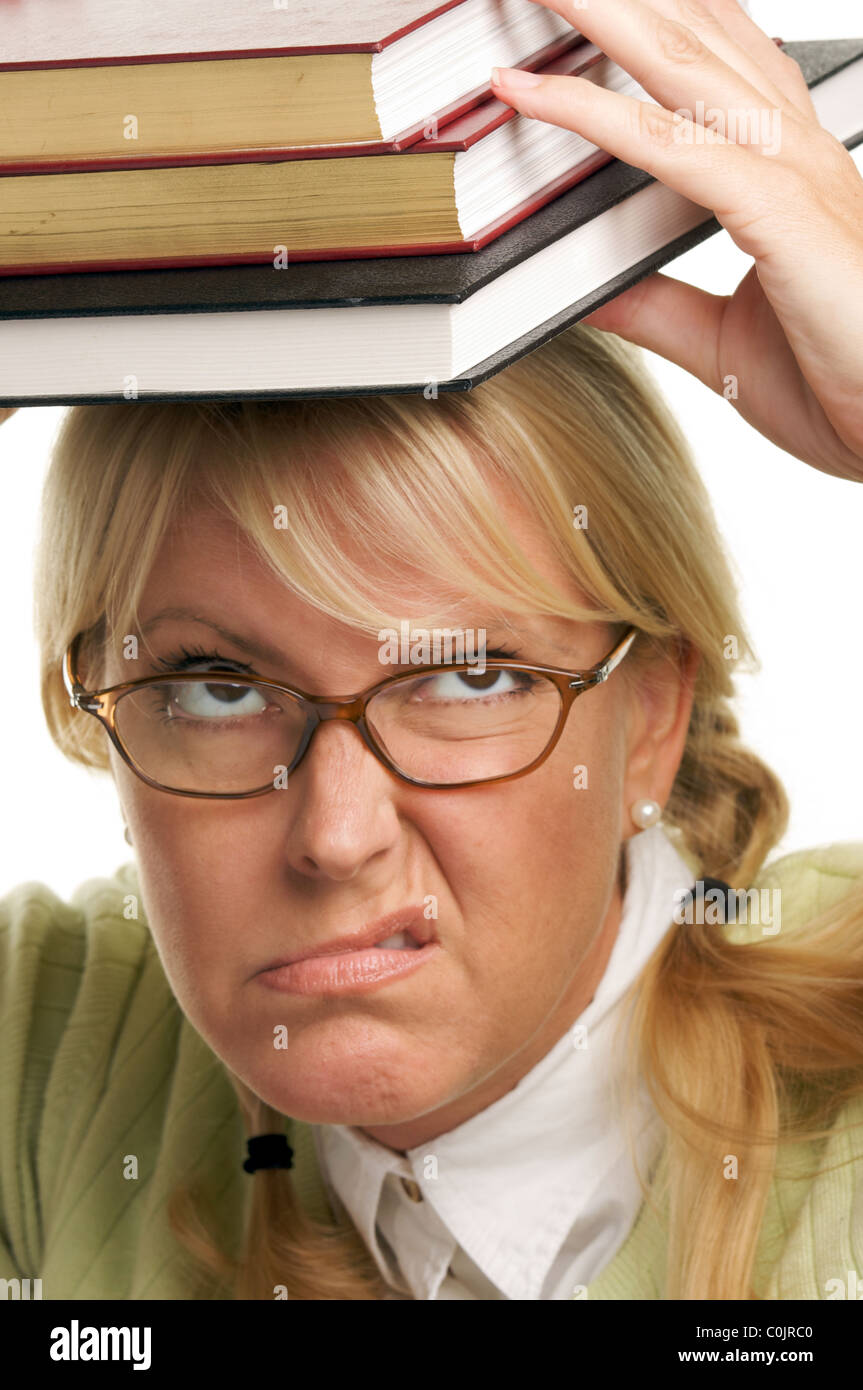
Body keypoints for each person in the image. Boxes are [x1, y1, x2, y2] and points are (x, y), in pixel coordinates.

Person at [1, 0, 862, 1302]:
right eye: (215, 686)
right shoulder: (59, 1049)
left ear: (654, 720)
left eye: (471, 675)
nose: (335, 835)